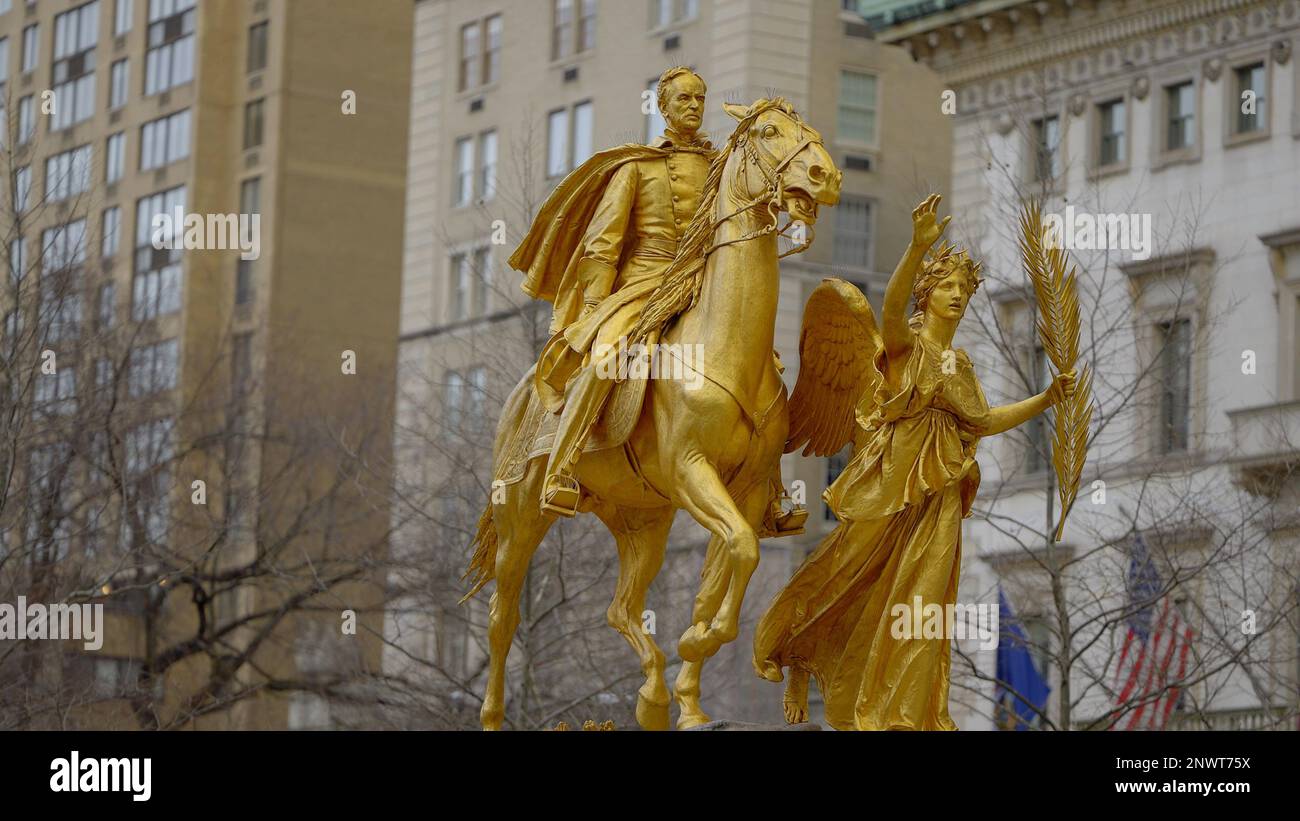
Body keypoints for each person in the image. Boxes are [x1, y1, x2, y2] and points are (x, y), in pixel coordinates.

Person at [753, 194, 1076, 730]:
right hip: (890, 492)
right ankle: (799, 654)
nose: (956, 295)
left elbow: (985, 421)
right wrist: (917, 246)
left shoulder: (959, 363)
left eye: (963, 289)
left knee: (926, 607)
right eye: (946, 286)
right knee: (842, 578)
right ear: (928, 293)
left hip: (940, 499)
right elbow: (890, 307)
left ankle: (909, 716)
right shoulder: (908, 347)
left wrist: (1047, 399)